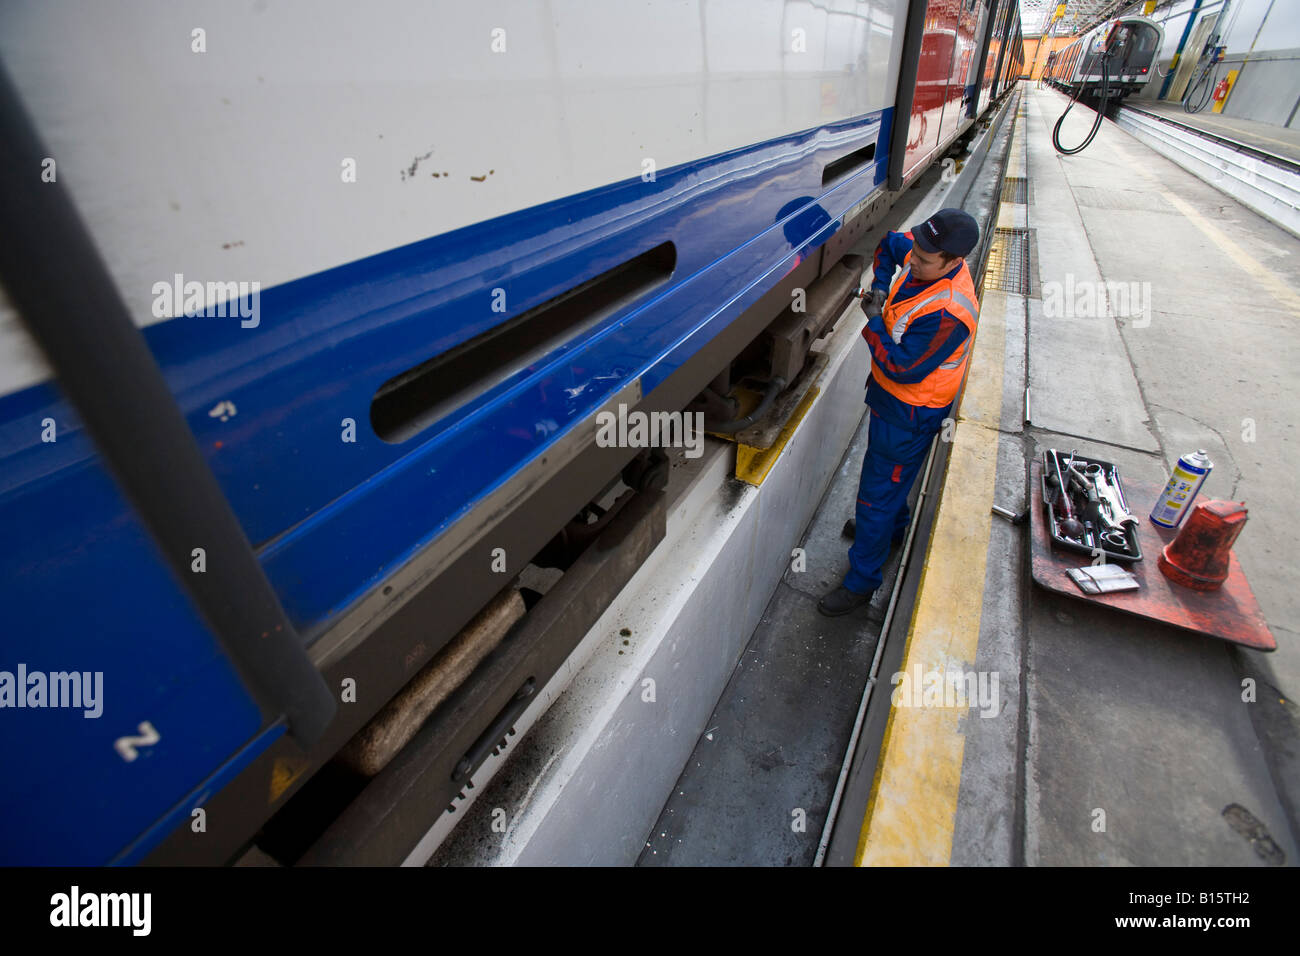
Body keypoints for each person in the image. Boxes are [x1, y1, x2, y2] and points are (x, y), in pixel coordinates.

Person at [818, 208, 980, 617]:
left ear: (954, 261)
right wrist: (883, 284)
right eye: (918, 253)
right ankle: (892, 528)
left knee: (874, 498)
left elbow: (903, 368)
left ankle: (861, 582)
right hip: (892, 405)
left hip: (909, 416)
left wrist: (874, 320)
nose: (916, 262)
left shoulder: (949, 312)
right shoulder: (921, 250)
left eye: (925, 262)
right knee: (890, 487)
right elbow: (890, 242)